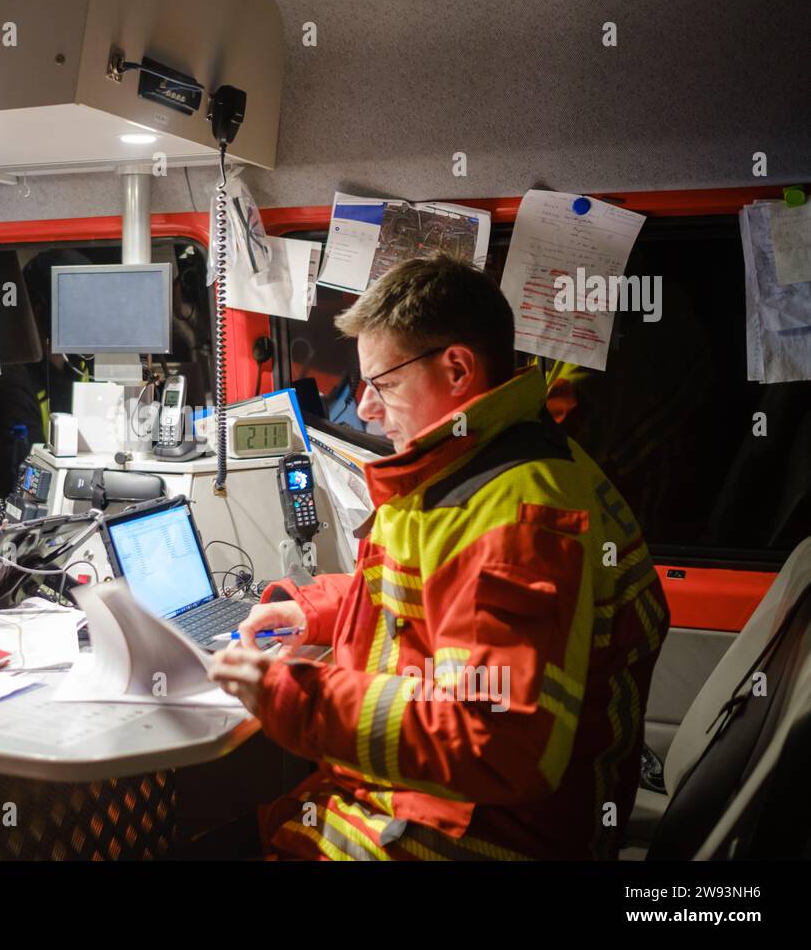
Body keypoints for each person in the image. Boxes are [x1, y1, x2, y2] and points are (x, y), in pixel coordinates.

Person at [210, 255, 668, 860]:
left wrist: (296, 696)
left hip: (482, 837)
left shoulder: (515, 509)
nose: (367, 408)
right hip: (435, 807)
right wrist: (313, 609)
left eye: (384, 383)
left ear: (457, 369)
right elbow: (436, 596)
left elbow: (493, 741)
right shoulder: (481, 466)